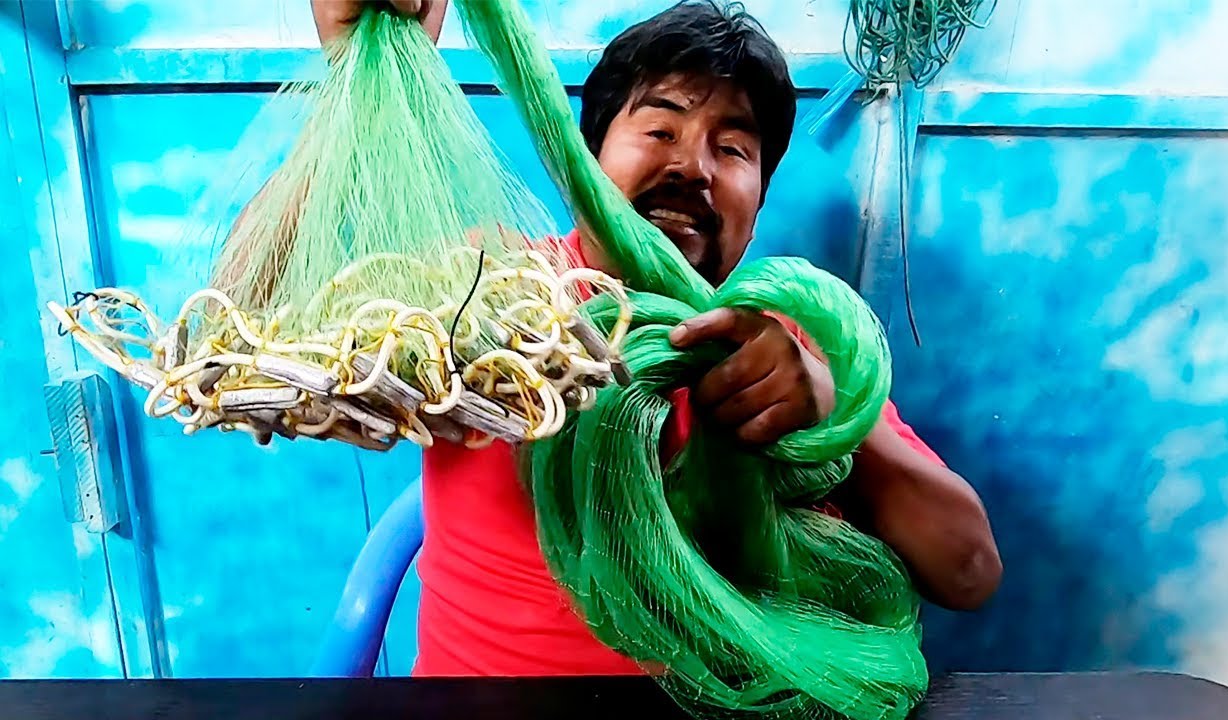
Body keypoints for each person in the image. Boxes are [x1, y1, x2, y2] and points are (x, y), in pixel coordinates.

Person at [308, 0, 1002, 677]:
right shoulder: (487, 290)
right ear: (585, 159)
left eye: (732, 148)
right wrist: (355, 85)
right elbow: (263, 310)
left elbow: (969, 573)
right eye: (660, 130)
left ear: (758, 204)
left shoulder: (790, 342)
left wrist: (833, 423)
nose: (693, 167)